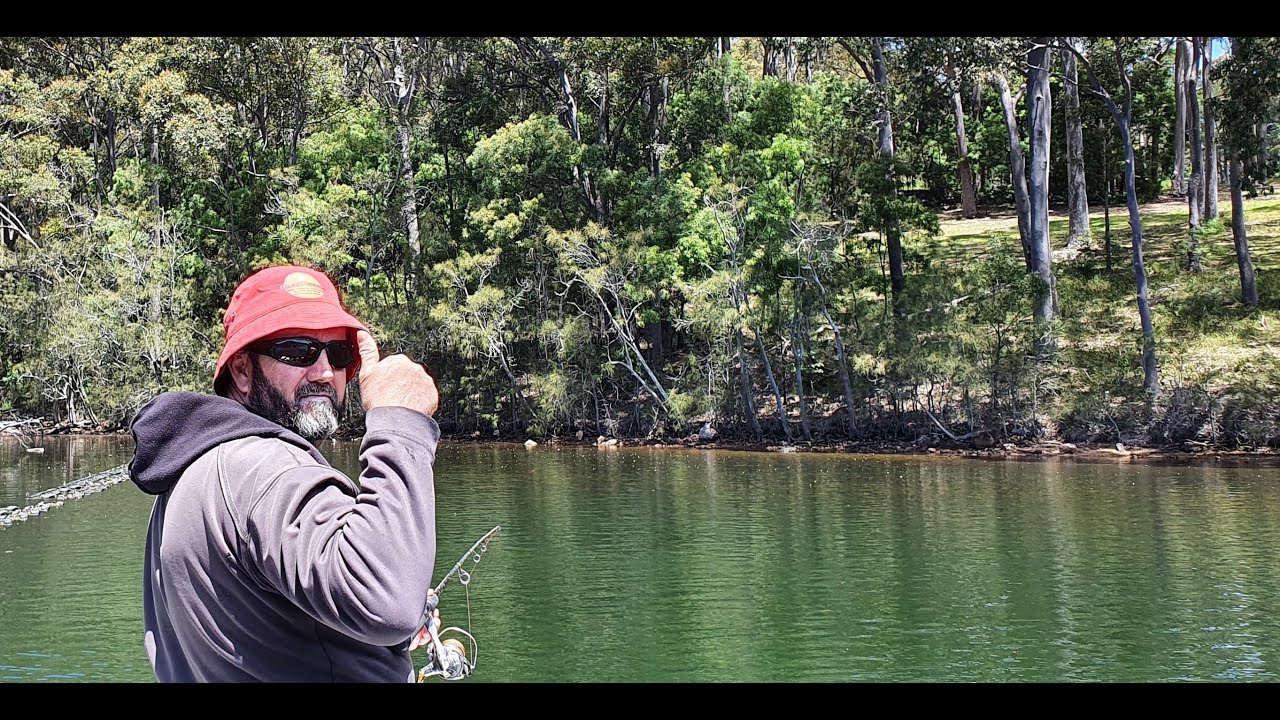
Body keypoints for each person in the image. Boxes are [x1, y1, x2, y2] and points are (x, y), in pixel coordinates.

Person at [128, 264, 442, 682]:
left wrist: (379, 627)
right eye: (297, 351)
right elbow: (387, 603)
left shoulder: (195, 468)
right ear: (241, 371)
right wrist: (401, 422)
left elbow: (270, 621)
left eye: (339, 353)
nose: (325, 371)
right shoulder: (267, 468)